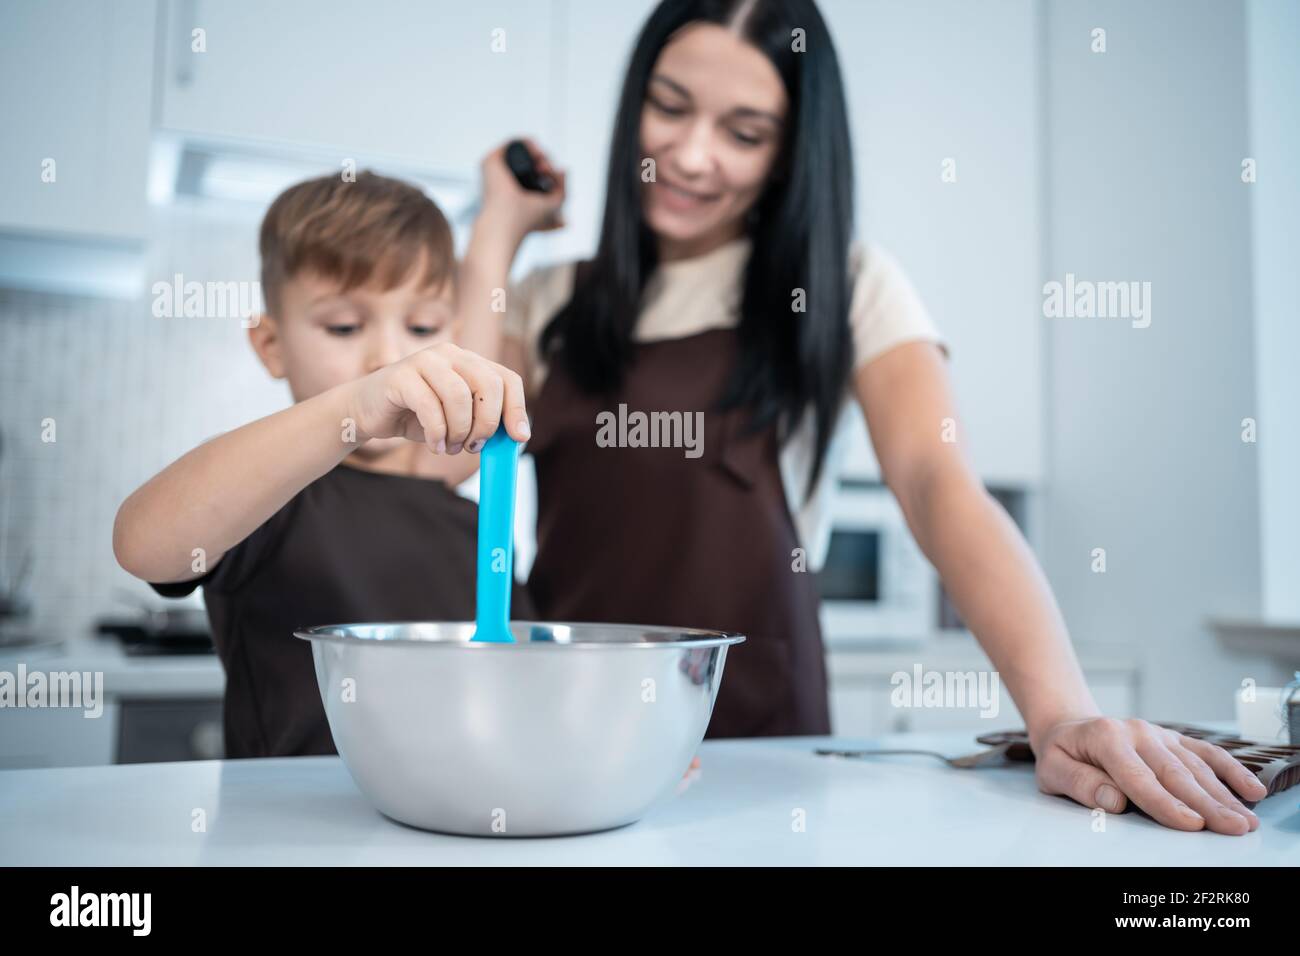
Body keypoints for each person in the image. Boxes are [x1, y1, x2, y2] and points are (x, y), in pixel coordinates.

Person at [455, 0, 1266, 833]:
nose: (690, 155)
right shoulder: (550, 301)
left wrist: (1058, 714)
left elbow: (934, 481)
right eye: (668, 107)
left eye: (744, 132)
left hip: (756, 750)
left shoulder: (848, 288)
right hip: (558, 736)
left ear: (791, 151)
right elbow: (444, 456)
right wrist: (496, 235)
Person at [113, 171, 533, 758]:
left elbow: (521, 692)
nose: (389, 355)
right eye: (343, 326)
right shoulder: (275, 500)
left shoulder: (471, 525)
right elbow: (143, 542)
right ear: (272, 347)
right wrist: (355, 407)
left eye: (421, 328)